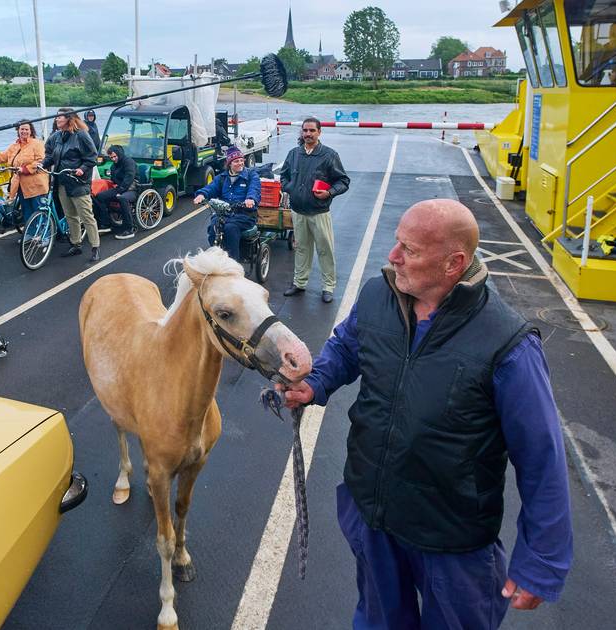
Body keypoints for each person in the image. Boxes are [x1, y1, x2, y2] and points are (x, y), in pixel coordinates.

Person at [281, 200, 573, 629]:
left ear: (454, 263)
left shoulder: (507, 344)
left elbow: (542, 456)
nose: (392, 256)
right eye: (397, 242)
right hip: (375, 518)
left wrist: (542, 561)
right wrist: (316, 382)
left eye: (410, 250)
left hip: (452, 540)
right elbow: (348, 344)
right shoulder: (379, 295)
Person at [280, 116, 350, 304]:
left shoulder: (329, 155)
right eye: (305, 130)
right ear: (301, 132)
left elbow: (343, 181)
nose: (308, 134)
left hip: (319, 212)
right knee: (302, 248)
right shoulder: (294, 154)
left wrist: (328, 193)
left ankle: (328, 287)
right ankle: (299, 283)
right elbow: (284, 176)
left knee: (325, 249)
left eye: (312, 130)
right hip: (298, 211)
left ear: (319, 132)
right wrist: (290, 188)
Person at [43, 107, 100, 262]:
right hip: (62, 182)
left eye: (59, 117)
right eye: (56, 117)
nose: (57, 119)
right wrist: (41, 164)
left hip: (78, 182)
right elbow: (50, 155)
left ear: (69, 118)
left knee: (86, 215)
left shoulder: (81, 135)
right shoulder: (56, 136)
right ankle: (76, 244)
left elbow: (93, 156)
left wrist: (82, 169)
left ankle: (95, 247)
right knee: (70, 216)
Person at [193, 146, 261, 261]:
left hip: (245, 215)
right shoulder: (221, 178)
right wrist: (202, 195)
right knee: (213, 227)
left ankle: (234, 263)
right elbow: (211, 188)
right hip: (224, 214)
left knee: (230, 228)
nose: (240, 163)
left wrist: (250, 199)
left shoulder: (251, 175)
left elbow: (254, 189)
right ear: (229, 163)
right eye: (236, 161)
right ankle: (216, 258)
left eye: (241, 160)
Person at [0, 121, 48, 225]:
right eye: (21, 129)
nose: (24, 131)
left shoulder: (37, 144)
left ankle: (44, 235)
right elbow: (2, 156)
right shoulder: (14, 146)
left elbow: (41, 161)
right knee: (26, 211)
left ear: (31, 131)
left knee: (38, 210)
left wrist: (25, 169)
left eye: (26, 129)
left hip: (35, 184)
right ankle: (30, 234)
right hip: (20, 185)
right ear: (18, 131)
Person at [93, 145, 138, 240]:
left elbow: (129, 179)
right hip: (120, 188)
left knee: (122, 198)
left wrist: (120, 191)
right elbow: (113, 179)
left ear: (120, 154)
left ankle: (129, 228)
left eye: (115, 156)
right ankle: (106, 223)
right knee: (99, 196)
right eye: (111, 157)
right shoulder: (113, 166)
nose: (113, 159)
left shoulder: (129, 162)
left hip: (132, 189)